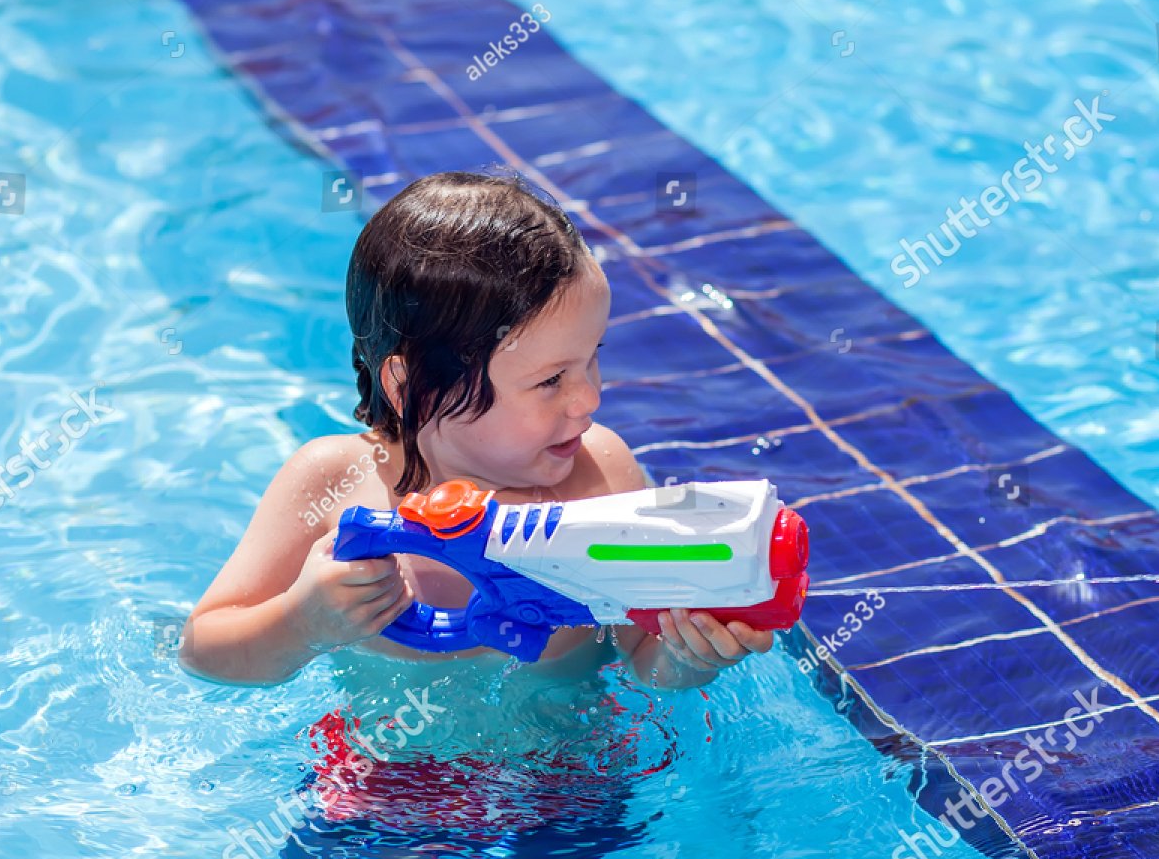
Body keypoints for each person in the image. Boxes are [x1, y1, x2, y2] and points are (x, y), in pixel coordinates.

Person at [179, 167, 773, 688]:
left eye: (593, 355)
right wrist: (301, 625)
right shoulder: (334, 482)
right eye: (550, 381)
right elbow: (205, 650)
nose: (589, 398)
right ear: (415, 387)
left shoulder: (601, 473)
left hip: (565, 781)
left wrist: (691, 655)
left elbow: (644, 660)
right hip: (389, 776)